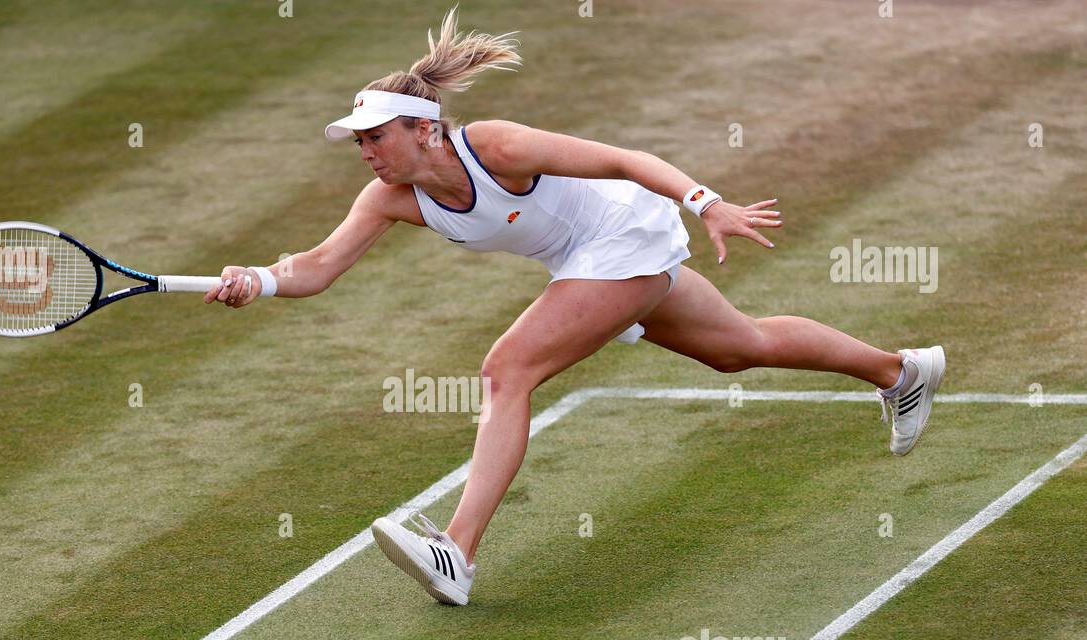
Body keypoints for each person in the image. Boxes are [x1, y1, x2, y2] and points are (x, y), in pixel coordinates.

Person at [204, 7, 945, 606]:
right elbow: (317, 268)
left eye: (375, 137)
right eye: (358, 141)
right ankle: (902, 371)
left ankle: (456, 552)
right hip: (583, 259)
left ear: (424, 129)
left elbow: (623, 161)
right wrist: (257, 279)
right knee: (738, 347)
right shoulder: (388, 199)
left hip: (625, 232)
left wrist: (705, 201)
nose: (365, 152)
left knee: (506, 371)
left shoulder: (496, 146)